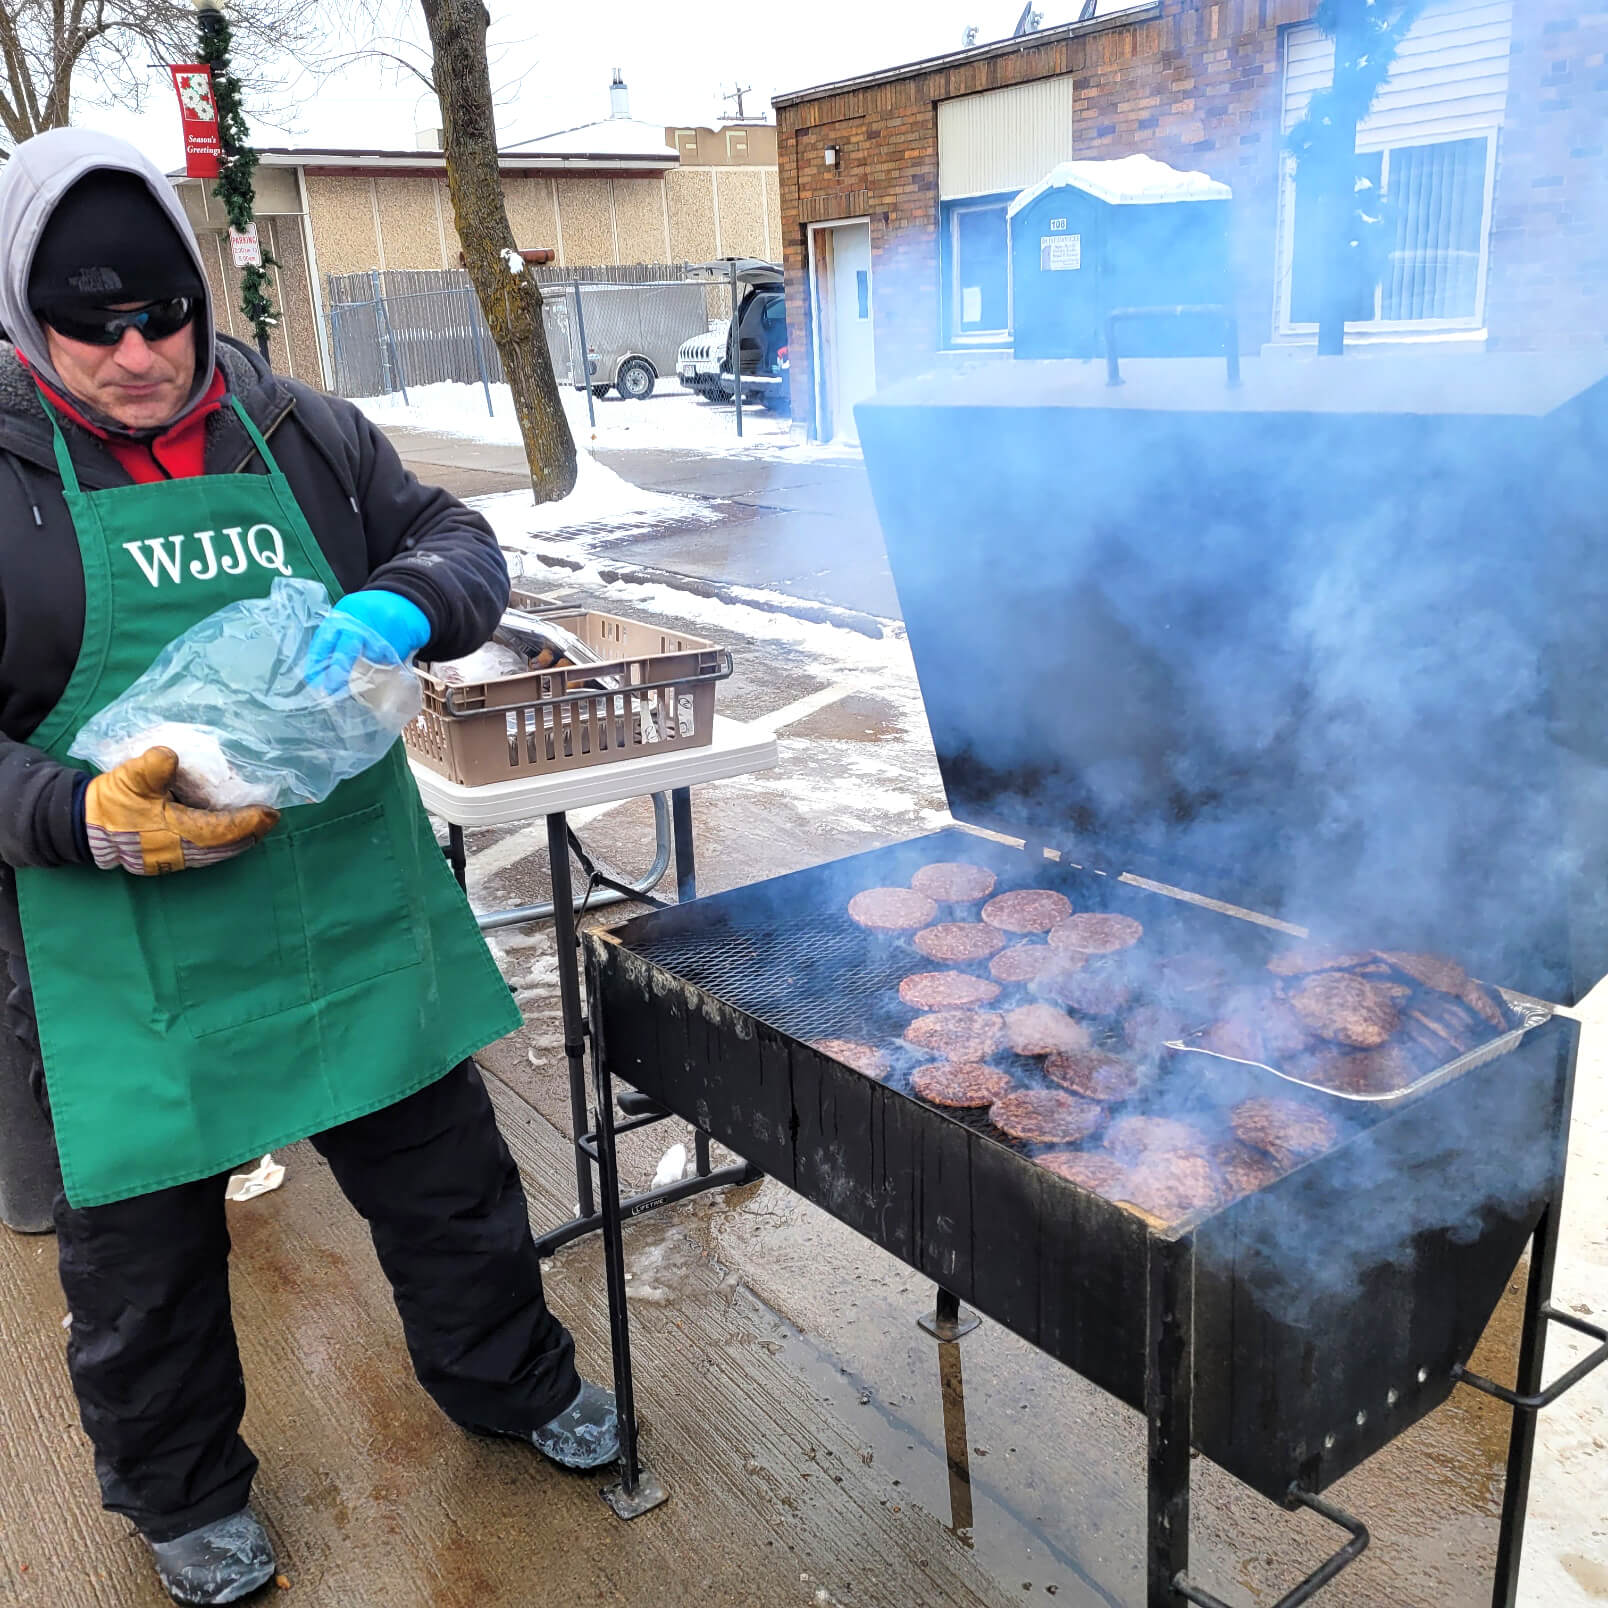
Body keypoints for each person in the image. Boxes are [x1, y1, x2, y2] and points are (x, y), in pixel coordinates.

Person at [0, 129, 617, 1606]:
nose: (140, 352)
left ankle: (514, 1385)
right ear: (28, 318)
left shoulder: (302, 431)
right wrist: (71, 816)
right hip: (127, 947)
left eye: (164, 311)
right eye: (95, 325)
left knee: (450, 1187)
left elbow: (459, 537)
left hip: (343, 910)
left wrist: (410, 604)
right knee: (141, 1266)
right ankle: (183, 1495)